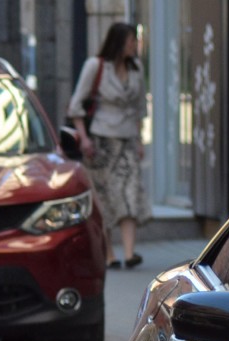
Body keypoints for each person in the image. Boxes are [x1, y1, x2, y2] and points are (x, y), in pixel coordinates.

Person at [67, 22, 150, 269]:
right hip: (101, 141)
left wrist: (139, 139)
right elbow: (76, 105)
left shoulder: (137, 69)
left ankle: (129, 253)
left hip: (127, 140)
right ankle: (109, 254)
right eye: (131, 40)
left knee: (129, 192)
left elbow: (139, 108)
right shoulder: (96, 66)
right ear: (119, 42)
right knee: (105, 197)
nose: (135, 45)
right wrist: (83, 137)